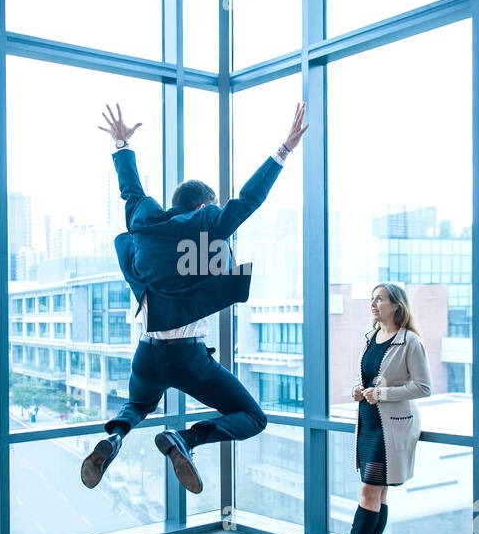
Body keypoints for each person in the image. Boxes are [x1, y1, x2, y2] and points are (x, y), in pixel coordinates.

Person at [80, 100, 309, 494]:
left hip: (147, 353)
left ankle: (114, 437)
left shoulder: (144, 224)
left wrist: (121, 146)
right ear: (204, 206)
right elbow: (248, 200)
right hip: (188, 358)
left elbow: (131, 192)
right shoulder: (207, 226)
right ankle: (186, 440)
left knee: (137, 406)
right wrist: (283, 150)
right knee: (252, 417)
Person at [316, 282, 432, 534]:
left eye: (379, 299)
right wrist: (359, 388)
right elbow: (366, 374)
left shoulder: (410, 342)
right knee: (377, 493)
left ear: (396, 306)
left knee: (369, 490)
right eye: (372, 298)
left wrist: (381, 394)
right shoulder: (370, 337)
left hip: (391, 426)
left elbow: (423, 387)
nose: (373, 303)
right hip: (368, 421)